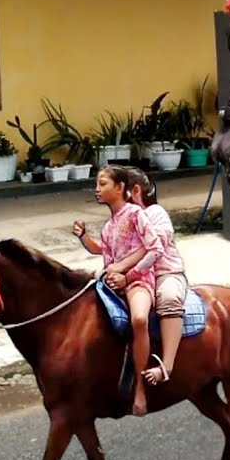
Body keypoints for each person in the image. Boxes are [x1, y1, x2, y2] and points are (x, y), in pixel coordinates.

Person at [72, 165, 163, 416]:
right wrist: (83, 236)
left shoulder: (136, 214)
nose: (97, 189)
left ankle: (141, 389)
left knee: (139, 319)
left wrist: (128, 275)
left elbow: (155, 248)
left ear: (120, 187)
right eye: (97, 184)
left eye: (102, 184)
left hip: (138, 282)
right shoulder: (109, 226)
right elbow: (101, 250)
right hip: (113, 283)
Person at [107, 167, 188, 386]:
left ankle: (167, 366)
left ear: (134, 191)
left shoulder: (155, 213)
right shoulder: (123, 219)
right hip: (138, 277)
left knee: (168, 297)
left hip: (164, 273)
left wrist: (126, 273)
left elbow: (153, 248)